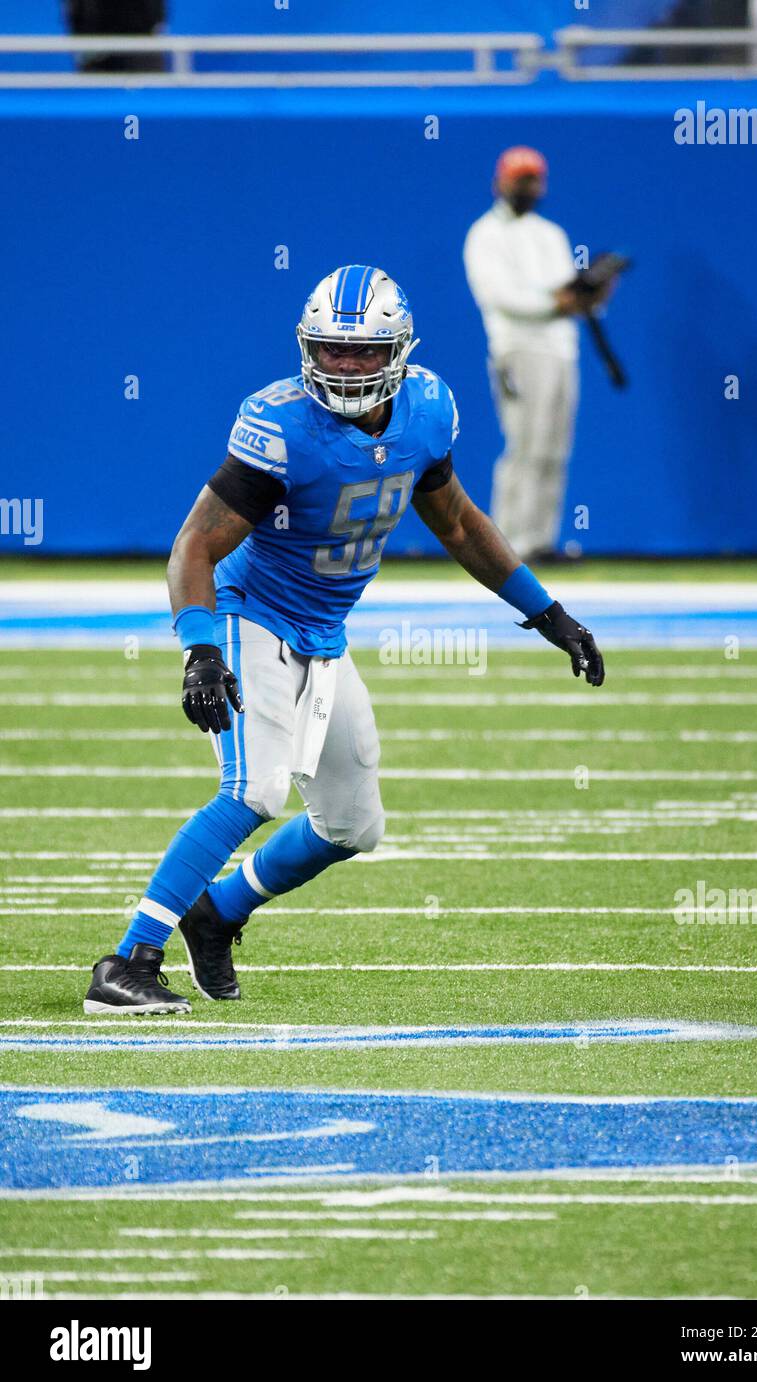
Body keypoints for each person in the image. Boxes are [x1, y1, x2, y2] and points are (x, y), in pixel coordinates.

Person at [83, 265, 605, 1016]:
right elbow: (195, 544)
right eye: (332, 351)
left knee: (353, 826)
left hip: (324, 633)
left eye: (364, 353)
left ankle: (218, 912)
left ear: (399, 350)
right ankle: (129, 961)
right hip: (250, 613)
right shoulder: (282, 425)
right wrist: (200, 649)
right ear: (308, 349)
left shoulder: (426, 409)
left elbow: (456, 522)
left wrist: (549, 613)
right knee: (254, 788)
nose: (348, 366)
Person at [463, 146, 612, 563]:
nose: (528, 187)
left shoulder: (551, 234)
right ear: (500, 182)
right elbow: (500, 296)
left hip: (561, 350)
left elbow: (570, 294)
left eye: (534, 179)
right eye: (520, 178)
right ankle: (505, 544)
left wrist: (591, 294)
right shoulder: (485, 234)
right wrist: (559, 302)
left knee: (553, 449)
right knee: (524, 445)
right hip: (518, 348)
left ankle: (540, 539)